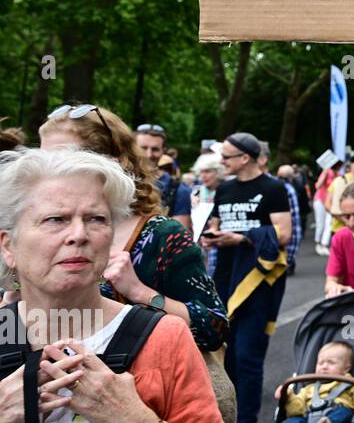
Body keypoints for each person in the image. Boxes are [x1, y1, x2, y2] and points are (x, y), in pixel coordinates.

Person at [0, 147, 233, 423]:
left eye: (96, 219)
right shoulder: (5, 329)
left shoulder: (161, 337)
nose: (79, 234)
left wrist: (130, 420)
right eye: (55, 219)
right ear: (8, 246)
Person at [39, 105, 229, 353]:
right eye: (42, 159)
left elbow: (215, 329)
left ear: (110, 163)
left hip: (136, 388)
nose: (46, 172)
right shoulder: (35, 229)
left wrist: (139, 292)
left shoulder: (161, 236)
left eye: (63, 160)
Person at [203, 131, 292, 423]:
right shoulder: (224, 188)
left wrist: (240, 239)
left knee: (249, 356)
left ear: (245, 158)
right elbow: (215, 221)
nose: (221, 162)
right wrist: (212, 236)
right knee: (227, 353)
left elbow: (284, 234)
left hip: (257, 280)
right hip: (224, 277)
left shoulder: (273, 188)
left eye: (226, 157)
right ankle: (227, 421)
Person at [135, 123, 191, 230]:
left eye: (155, 149)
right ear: (133, 148)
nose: (149, 154)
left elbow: (179, 238)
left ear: (163, 151)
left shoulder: (178, 189)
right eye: (143, 148)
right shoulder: (121, 181)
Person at [312, 156, 342, 256]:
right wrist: (324, 173)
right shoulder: (327, 172)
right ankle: (318, 243)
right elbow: (317, 186)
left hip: (329, 202)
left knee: (329, 223)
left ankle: (324, 244)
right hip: (320, 200)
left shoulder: (338, 174)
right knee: (320, 223)